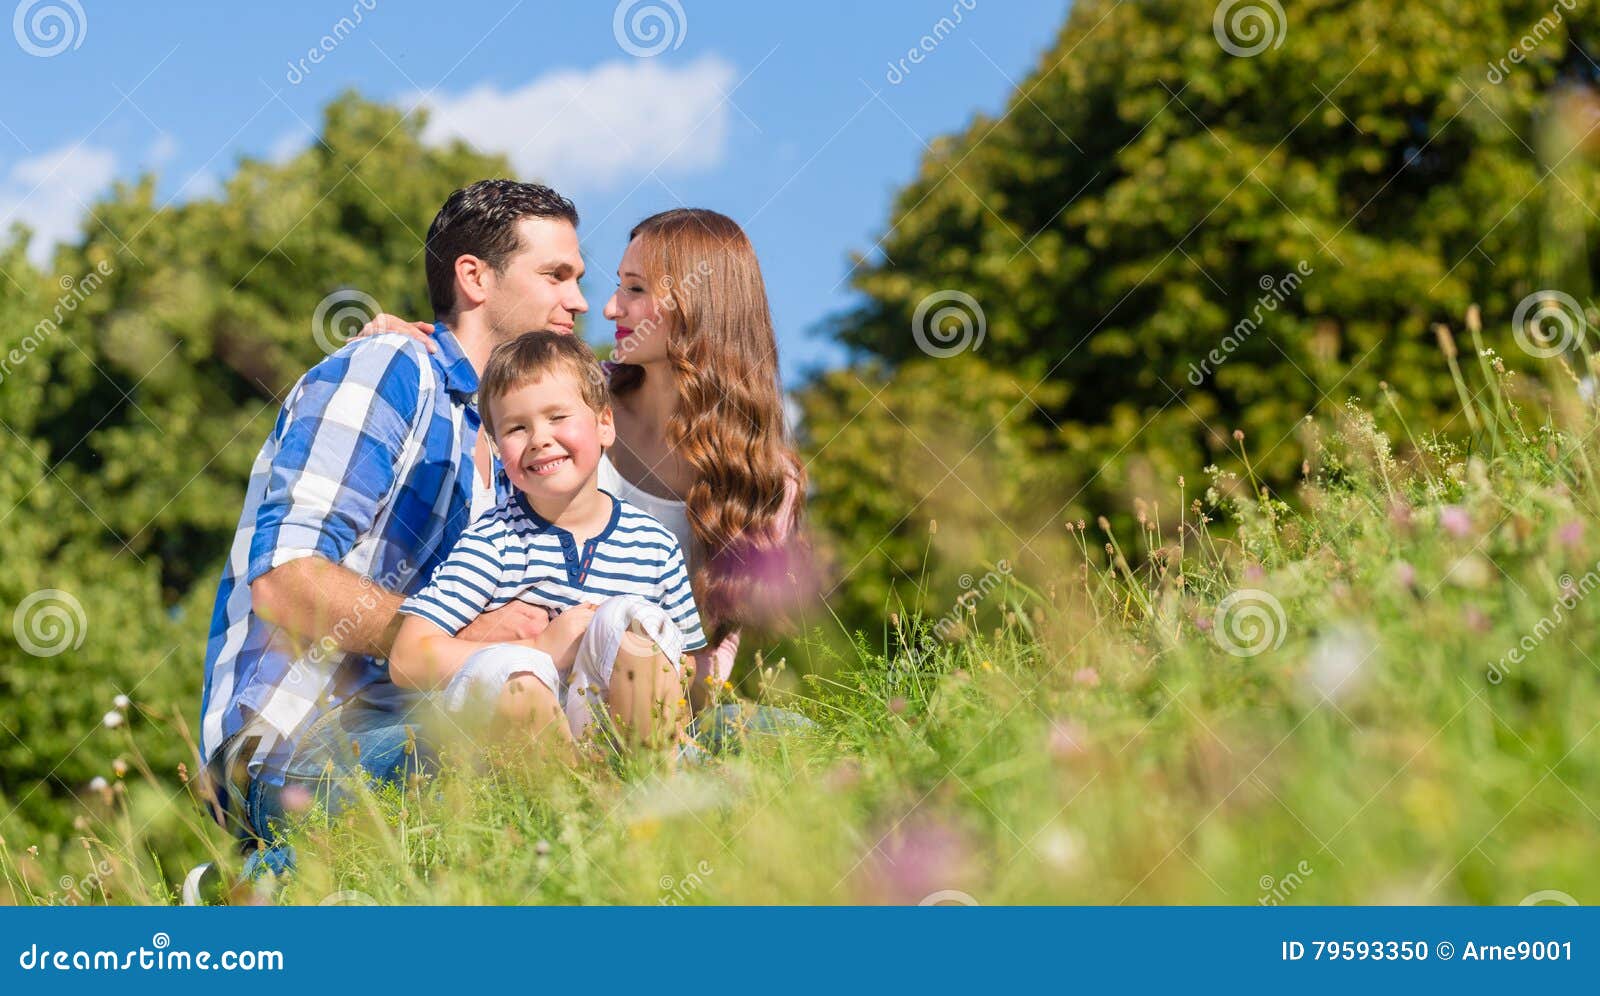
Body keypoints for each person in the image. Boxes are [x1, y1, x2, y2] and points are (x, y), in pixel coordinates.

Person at [190, 180, 588, 897]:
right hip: (297, 734)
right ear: (475, 278)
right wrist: (454, 640)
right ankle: (260, 893)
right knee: (522, 783)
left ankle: (266, 887)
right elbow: (284, 578)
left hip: (422, 714)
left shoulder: (514, 448)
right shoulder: (392, 370)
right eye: (556, 275)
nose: (579, 301)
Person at [365, 208, 813, 730]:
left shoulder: (765, 480)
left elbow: (711, 659)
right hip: (528, 690)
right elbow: (501, 394)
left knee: (784, 732)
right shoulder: (572, 414)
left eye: (635, 289)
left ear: (699, 305)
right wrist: (402, 343)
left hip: (658, 709)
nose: (608, 307)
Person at [390, 330, 706, 750]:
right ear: (497, 448)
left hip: (615, 734)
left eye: (557, 417)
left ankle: (648, 774)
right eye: (517, 427)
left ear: (604, 424)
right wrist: (539, 647)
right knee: (516, 672)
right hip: (524, 750)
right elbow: (407, 657)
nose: (539, 439)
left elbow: (688, 662)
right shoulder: (494, 540)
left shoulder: (654, 544)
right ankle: (569, 788)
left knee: (632, 619)